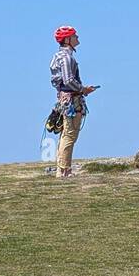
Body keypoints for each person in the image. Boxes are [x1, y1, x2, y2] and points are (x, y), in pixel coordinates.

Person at [49, 27, 97, 178]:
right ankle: (64, 170)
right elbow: (68, 80)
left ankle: (61, 169)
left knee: (65, 135)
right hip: (72, 100)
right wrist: (83, 89)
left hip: (65, 98)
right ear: (67, 40)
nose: (77, 38)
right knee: (70, 135)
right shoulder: (67, 58)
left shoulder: (58, 56)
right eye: (74, 36)